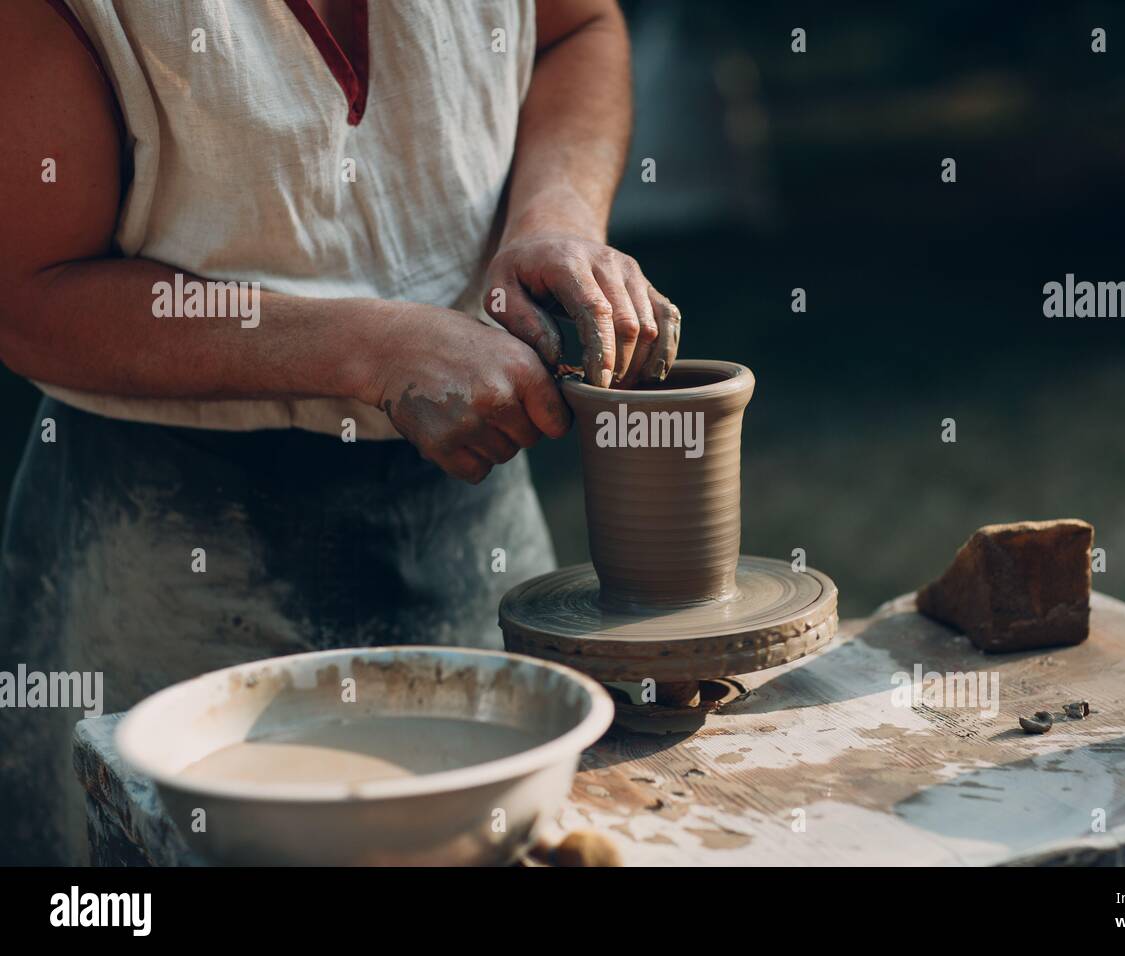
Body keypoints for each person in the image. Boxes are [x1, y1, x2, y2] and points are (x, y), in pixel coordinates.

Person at [0, 0, 680, 865]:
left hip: (467, 491)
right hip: (171, 521)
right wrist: (368, 347)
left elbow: (576, 29)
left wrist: (555, 217)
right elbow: (29, 295)